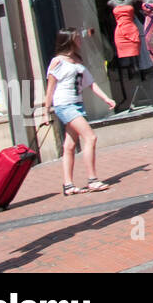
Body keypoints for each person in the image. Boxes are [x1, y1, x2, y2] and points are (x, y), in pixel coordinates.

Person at [42, 28, 116, 196]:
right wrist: (46, 111)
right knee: (90, 137)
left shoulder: (77, 60)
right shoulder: (57, 62)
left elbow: (91, 83)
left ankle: (68, 185)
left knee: (69, 145)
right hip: (65, 105)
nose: (80, 41)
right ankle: (92, 180)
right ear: (68, 41)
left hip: (77, 104)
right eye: (77, 38)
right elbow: (50, 88)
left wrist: (106, 99)